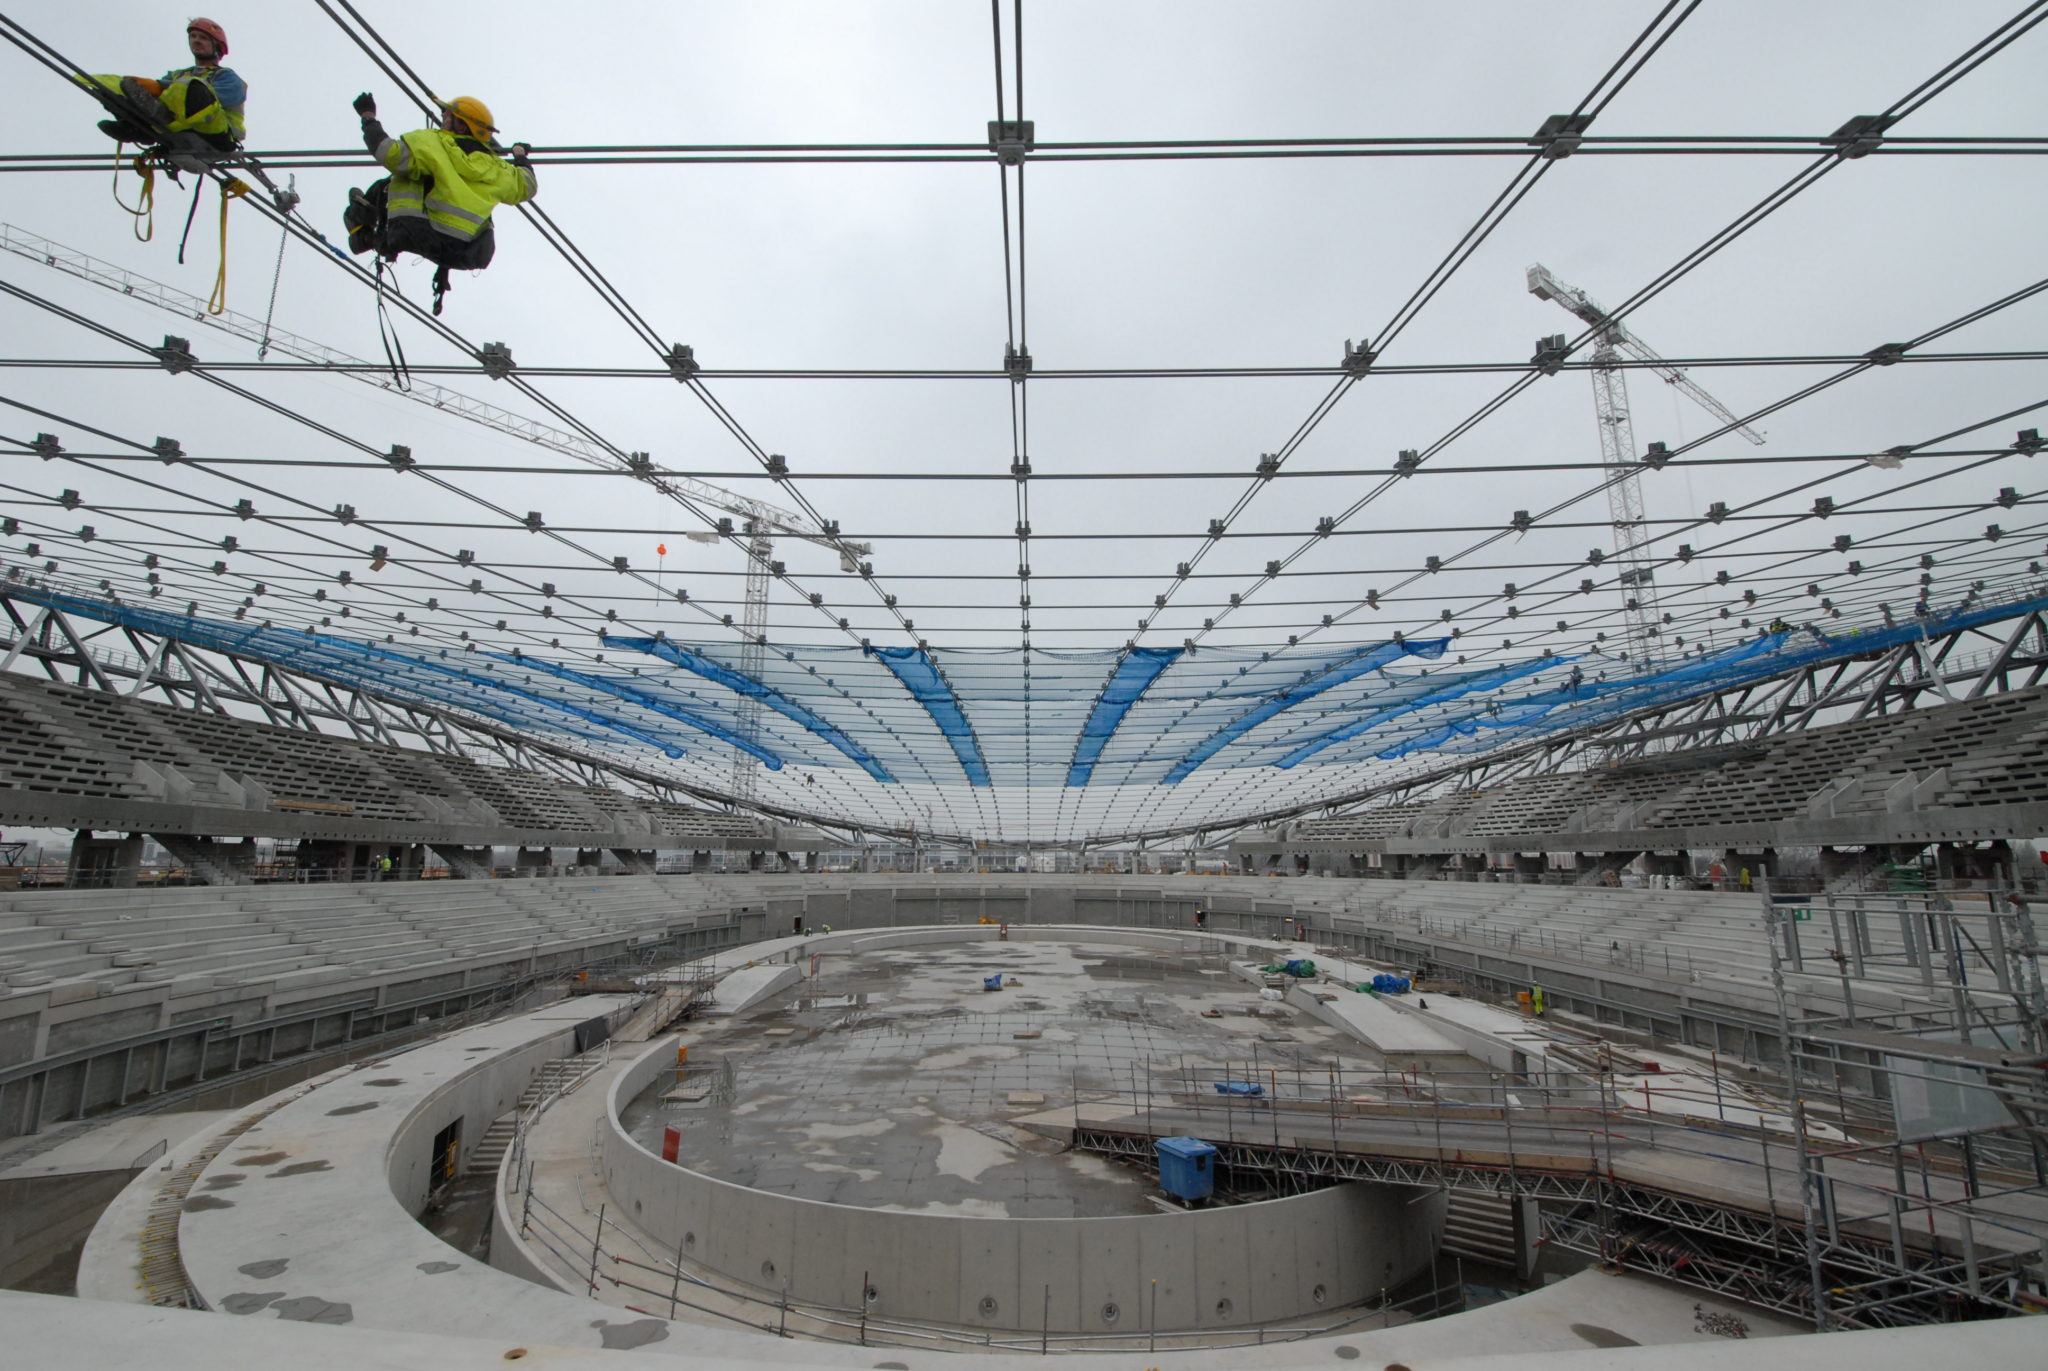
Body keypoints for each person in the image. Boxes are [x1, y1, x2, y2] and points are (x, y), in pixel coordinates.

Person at [344, 90, 535, 312]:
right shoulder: (496, 167)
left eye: (447, 118)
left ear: (462, 127)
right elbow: (527, 187)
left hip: (417, 232)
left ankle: (364, 236)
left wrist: (368, 117)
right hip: (467, 250)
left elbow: (386, 152)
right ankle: (373, 236)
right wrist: (520, 157)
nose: (443, 122)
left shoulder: (433, 144)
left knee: (389, 183)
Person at [87, 18, 246, 164]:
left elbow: (220, 98)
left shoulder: (226, 76)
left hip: (215, 134)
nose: (196, 41)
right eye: (193, 37)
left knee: (192, 88)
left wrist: (161, 87)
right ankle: (135, 124)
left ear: (217, 46)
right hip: (177, 128)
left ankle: (156, 117)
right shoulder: (176, 75)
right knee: (117, 85)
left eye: (203, 38)